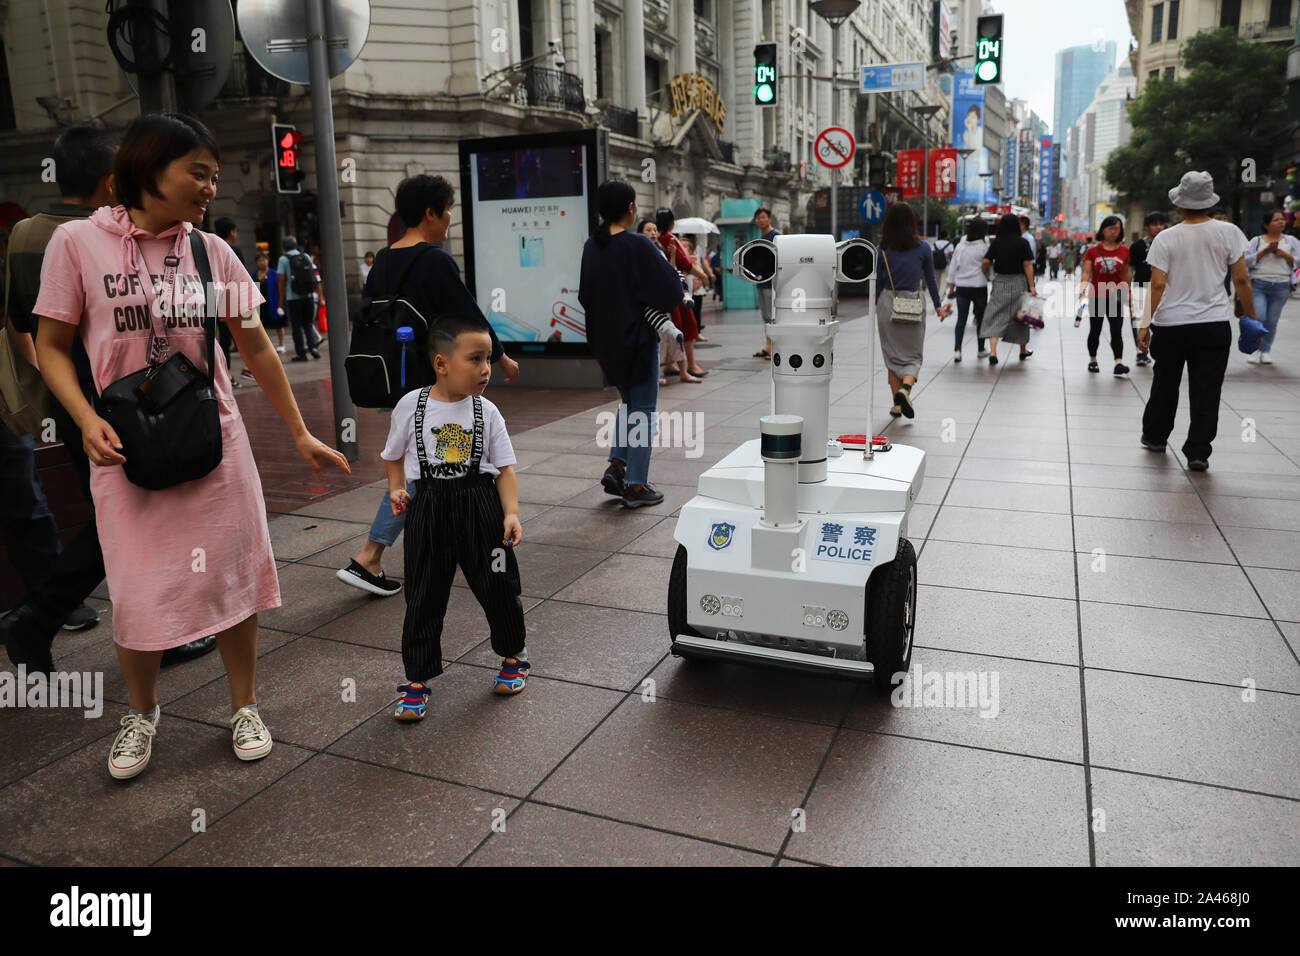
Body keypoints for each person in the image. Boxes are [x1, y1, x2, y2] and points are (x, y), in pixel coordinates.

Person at [32, 112, 349, 779]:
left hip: (215, 442)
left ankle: (245, 705)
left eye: (214, 176)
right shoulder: (75, 244)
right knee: (137, 591)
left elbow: (257, 343)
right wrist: (84, 419)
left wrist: (299, 431)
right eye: (197, 173)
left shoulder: (212, 252)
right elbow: (49, 347)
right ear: (150, 169)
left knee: (233, 581)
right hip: (125, 449)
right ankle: (141, 713)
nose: (210, 187)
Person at [1, 125, 215, 672]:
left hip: (68, 402)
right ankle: (45, 616)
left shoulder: (25, 233)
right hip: (118, 402)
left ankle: (46, 617)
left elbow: (25, 322)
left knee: (116, 516)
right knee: (129, 519)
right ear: (111, 182)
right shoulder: (91, 240)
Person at [336, 174, 521, 596]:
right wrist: (499, 354)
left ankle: (386, 552)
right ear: (431, 213)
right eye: (447, 209)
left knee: (415, 461)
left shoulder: (383, 258)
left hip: (391, 375)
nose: (451, 218)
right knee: (423, 467)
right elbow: (468, 314)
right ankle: (370, 556)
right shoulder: (434, 259)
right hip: (425, 376)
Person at [383, 313, 529, 718]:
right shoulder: (411, 406)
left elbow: (505, 470)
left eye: (488, 360)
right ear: (442, 363)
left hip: (481, 507)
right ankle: (416, 680)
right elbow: (393, 457)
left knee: (498, 584)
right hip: (428, 508)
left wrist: (511, 512)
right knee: (424, 595)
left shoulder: (488, 412)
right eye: (476, 359)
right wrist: (397, 489)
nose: (485, 370)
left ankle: (513, 655)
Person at [1138, 171, 1259, 472]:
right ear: (1209, 201)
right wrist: (1251, 318)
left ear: (1180, 204)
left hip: (1170, 325)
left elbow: (1157, 285)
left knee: (1165, 383)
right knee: (1207, 388)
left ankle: (1155, 437)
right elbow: (1241, 278)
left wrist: (1144, 324)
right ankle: (1198, 451)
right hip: (1213, 324)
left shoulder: (1165, 238)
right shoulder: (1229, 232)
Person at [578, 180, 685, 508]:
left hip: (605, 342)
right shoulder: (638, 244)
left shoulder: (591, 246)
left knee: (629, 405)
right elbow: (671, 291)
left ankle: (617, 465)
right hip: (636, 339)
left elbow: (585, 296)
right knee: (644, 412)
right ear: (630, 209)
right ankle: (636, 486)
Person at [875, 202, 951, 419]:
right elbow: (930, 279)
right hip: (914, 303)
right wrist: (938, 305)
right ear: (911, 223)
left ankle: (897, 404)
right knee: (913, 355)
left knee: (891, 356)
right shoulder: (923, 247)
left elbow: (877, 279)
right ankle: (905, 390)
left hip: (888, 302)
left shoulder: (882, 248)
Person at [637, 219, 698, 384]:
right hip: (651, 302)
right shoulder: (639, 252)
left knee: (673, 335)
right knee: (658, 339)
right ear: (641, 233)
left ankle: (684, 372)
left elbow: (670, 271)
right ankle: (656, 375)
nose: (653, 233)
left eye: (655, 230)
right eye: (649, 230)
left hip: (663, 299)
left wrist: (671, 255)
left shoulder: (659, 250)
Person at [655, 209, 709, 377]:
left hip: (665, 289)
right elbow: (684, 263)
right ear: (672, 222)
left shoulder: (659, 241)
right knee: (688, 325)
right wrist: (703, 275)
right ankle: (691, 365)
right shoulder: (669, 239)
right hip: (677, 288)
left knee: (674, 326)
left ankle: (671, 363)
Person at [980, 213, 1037, 366]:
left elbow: (986, 261)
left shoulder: (997, 243)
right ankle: (1022, 350)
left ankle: (993, 351)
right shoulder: (1022, 242)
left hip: (1001, 281)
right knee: (1021, 316)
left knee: (996, 314)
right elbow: (1028, 265)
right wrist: (1031, 286)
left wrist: (985, 273)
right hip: (1019, 281)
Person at [1245, 210, 1299, 364]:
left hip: (1281, 285)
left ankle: (1266, 350)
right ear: (1266, 225)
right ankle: (1255, 349)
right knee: (1259, 317)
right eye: (1276, 220)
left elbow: (1298, 260)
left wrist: (1284, 254)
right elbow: (1245, 260)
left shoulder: (1291, 241)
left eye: (1282, 219)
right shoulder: (1256, 241)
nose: (1281, 222)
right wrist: (1264, 252)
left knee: (1272, 320)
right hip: (1258, 284)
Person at [1079, 215, 1132, 375]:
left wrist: (1128, 291)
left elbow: (1127, 272)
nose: (1114, 231)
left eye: (1117, 228)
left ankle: (1118, 362)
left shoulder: (1124, 250)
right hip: (1098, 295)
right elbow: (1087, 271)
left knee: (1116, 330)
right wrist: (1082, 291)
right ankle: (1093, 360)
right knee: (1095, 329)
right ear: (1103, 230)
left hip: (1116, 295)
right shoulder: (1092, 251)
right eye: (1111, 228)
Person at [946, 217, 991, 362]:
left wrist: (951, 288)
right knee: (980, 318)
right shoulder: (984, 246)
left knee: (961, 319)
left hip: (962, 287)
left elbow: (953, 267)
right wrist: (990, 277)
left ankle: (957, 350)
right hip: (979, 286)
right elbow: (988, 264)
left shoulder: (960, 245)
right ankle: (980, 349)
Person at [1128, 212, 1167, 366]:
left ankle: (1158, 349)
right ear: (1146, 227)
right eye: (1154, 224)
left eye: (1161, 224)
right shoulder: (1138, 246)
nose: (1158, 227)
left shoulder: (1168, 244)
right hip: (1141, 288)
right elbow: (1130, 269)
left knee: (1159, 321)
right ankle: (1140, 352)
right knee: (1138, 320)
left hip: (1163, 289)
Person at [276, 235, 323, 361]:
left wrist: (280, 301)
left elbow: (281, 280)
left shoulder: (283, 259)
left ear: (284, 247)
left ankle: (301, 353)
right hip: (308, 295)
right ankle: (313, 348)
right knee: (308, 323)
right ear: (296, 245)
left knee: (296, 326)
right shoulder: (306, 256)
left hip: (293, 297)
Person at [212, 217, 242, 383]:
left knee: (216, 337)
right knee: (240, 336)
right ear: (232, 232)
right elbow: (242, 279)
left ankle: (225, 373)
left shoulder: (209, 248)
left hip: (211, 295)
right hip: (230, 296)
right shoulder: (234, 250)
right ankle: (243, 371)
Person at [753, 207, 780, 359]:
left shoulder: (776, 236)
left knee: (772, 317)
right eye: (758, 218)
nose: (760, 220)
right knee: (766, 316)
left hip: (772, 283)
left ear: (769, 218)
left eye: (763, 217)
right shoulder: (761, 237)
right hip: (761, 281)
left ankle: (775, 348)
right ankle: (768, 346)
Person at [254, 251, 285, 353]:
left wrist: (281, 302)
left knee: (278, 325)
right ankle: (265, 346)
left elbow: (280, 288)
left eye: (264, 260)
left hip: (273, 302)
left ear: (267, 261)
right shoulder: (254, 275)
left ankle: (281, 344)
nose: (262, 262)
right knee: (262, 327)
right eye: (259, 260)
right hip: (260, 304)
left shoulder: (274, 273)